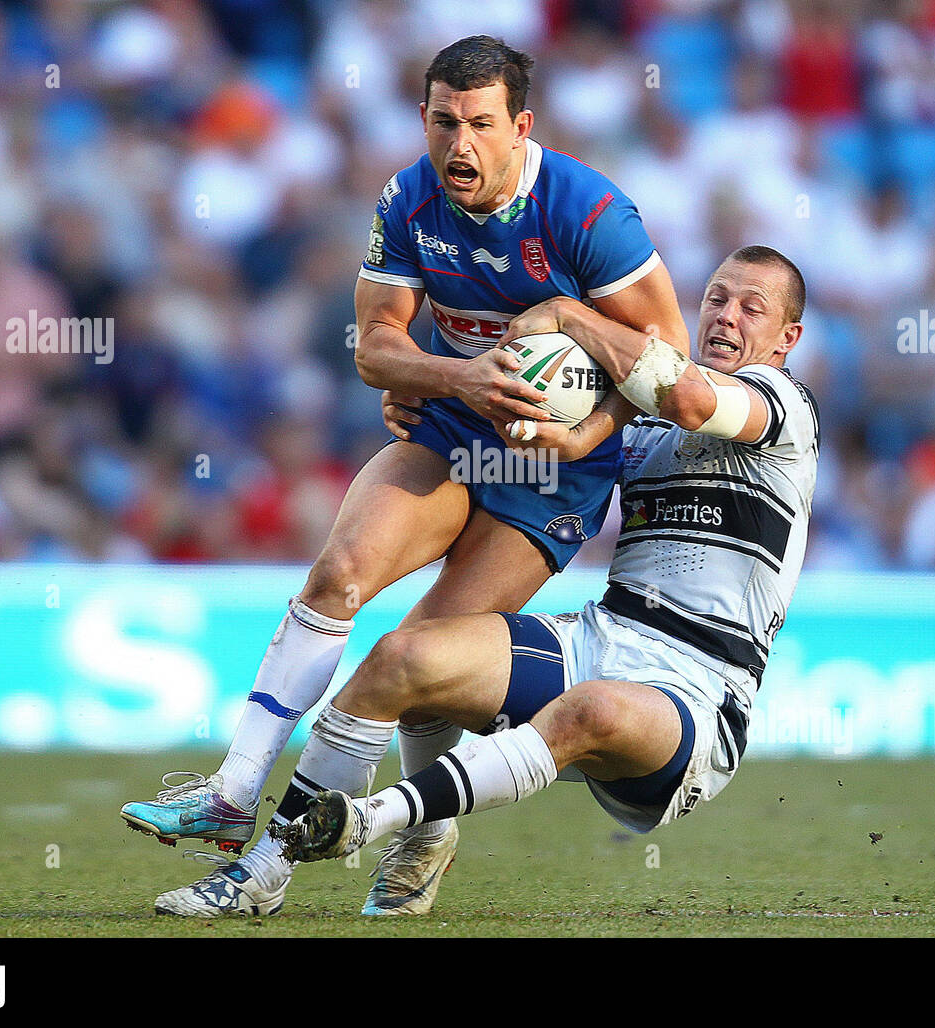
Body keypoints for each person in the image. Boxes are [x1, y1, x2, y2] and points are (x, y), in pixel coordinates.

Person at [124, 35, 688, 916]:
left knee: (419, 665)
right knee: (337, 576)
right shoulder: (408, 197)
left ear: (521, 127)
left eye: (480, 125)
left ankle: (407, 834)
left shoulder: (589, 214)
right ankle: (235, 804)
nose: (459, 144)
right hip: (455, 428)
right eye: (442, 121)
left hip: (553, 473)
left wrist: (588, 440)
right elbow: (376, 344)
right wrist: (447, 376)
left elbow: (670, 359)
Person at [221, 245, 817, 914]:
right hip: (604, 636)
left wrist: (567, 313)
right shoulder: (635, 414)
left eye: (751, 307)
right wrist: (427, 396)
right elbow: (526, 426)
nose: (726, 316)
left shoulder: (783, 405)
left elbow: (687, 395)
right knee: (404, 660)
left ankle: (373, 817)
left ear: (786, 338)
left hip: (697, 697)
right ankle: (299, 865)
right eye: (716, 298)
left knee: (592, 709)